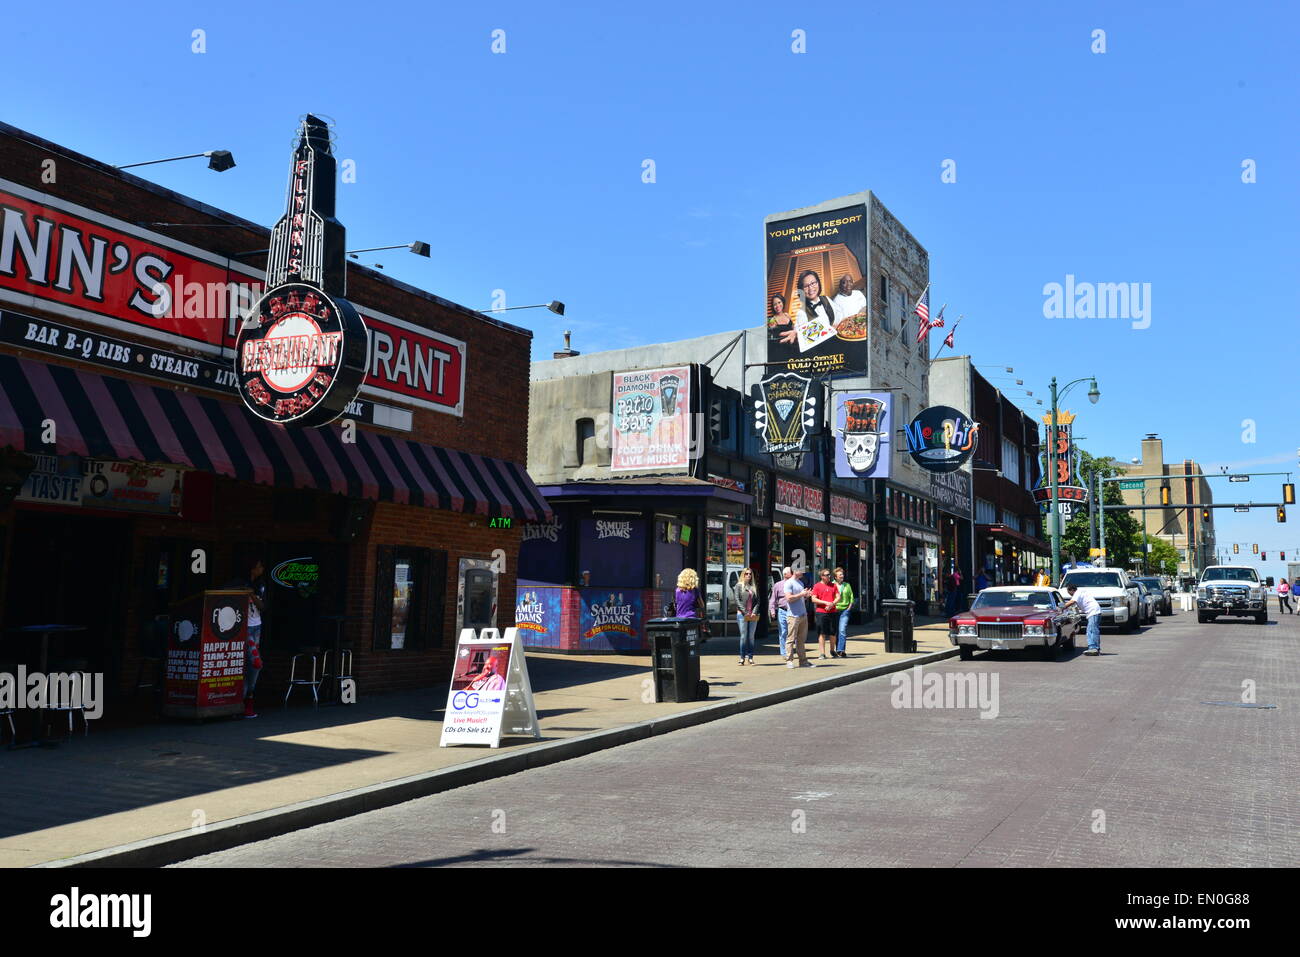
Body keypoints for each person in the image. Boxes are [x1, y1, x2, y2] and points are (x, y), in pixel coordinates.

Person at [228, 557, 267, 718]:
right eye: (259, 566)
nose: (261, 569)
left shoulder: (260, 585)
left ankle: (247, 701)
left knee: (253, 664)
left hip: (255, 626)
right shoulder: (237, 582)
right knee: (249, 662)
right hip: (240, 627)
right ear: (251, 568)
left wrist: (252, 595)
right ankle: (239, 701)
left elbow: (263, 607)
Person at [782, 566, 814, 668]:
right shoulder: (789, 583)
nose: (803, 572)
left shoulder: (800, 583)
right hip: (793, 615)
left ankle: (803, 661)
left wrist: (806, 595)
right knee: (791, 639)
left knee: (801, 640)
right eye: (801, 570)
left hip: (802, 614)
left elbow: (800, 599)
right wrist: (801, 594)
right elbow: (789, 598)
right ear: (795, 571)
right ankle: (789, 660)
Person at [1062, 583, 1102, 656]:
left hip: (1093, 612)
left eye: (1068, 592)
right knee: (1090, 630)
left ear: (1071, 590)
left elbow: (1072, 602)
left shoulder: (1077, 593)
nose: (1069, 595)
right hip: (1093, 612)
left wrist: (1062, 607)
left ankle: (1094, 648)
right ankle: (1094, 648)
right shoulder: (1081, 592)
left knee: (1092, 630)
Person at [811, 568, 840, 660]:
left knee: (832, 632)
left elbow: (838, 597)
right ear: (822, 576)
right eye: (827, 575)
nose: (829, 576)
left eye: (829, 574)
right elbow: (813, 599)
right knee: (822, 633)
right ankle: (822, 653)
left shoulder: (833, 585)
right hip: (821, 613)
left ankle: (832, 650)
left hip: (832, 612)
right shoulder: (817, 586)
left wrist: (832, 603)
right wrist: (825, 603)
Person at [732, 568, 759, 665]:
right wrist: (745, 612)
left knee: (751, 637)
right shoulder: (738, 586)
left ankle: (750, 657)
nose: (748, 575)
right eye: (746, 574)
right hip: (742, 615)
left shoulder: (753, 587)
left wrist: (754, 612)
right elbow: (737, 600)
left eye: (750, 574)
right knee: (743, 636)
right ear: (743, 575)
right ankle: (742, 658)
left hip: (752, 615)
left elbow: (757, 602)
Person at [768, 567, 791, 659]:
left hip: (793, 611)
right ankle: (784, 652)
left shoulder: (795, 584)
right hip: (782, 611)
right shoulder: (778, 585)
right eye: (791, 572)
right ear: (785, 574)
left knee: (793, 633)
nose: (792, 574)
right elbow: (773, 599)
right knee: (783, 632)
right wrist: (772, 611)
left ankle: (791, 651)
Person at [674, 569, 706, 634]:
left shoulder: (677, 591)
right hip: (691, 620)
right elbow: (702, 605)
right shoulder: (695, 590)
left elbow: (677, 604)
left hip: (679, 620)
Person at [832, 567, 855, 659]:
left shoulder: (847, 585)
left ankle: (841, 650)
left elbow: (851, 597)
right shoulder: (831, 585)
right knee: (835, 631)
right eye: (840, 574)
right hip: (834, 610)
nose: (842, 576)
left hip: (845, 610)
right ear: (835, 577)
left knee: (842, 630)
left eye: (842, 574)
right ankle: (834, 649)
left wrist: (849, 608)